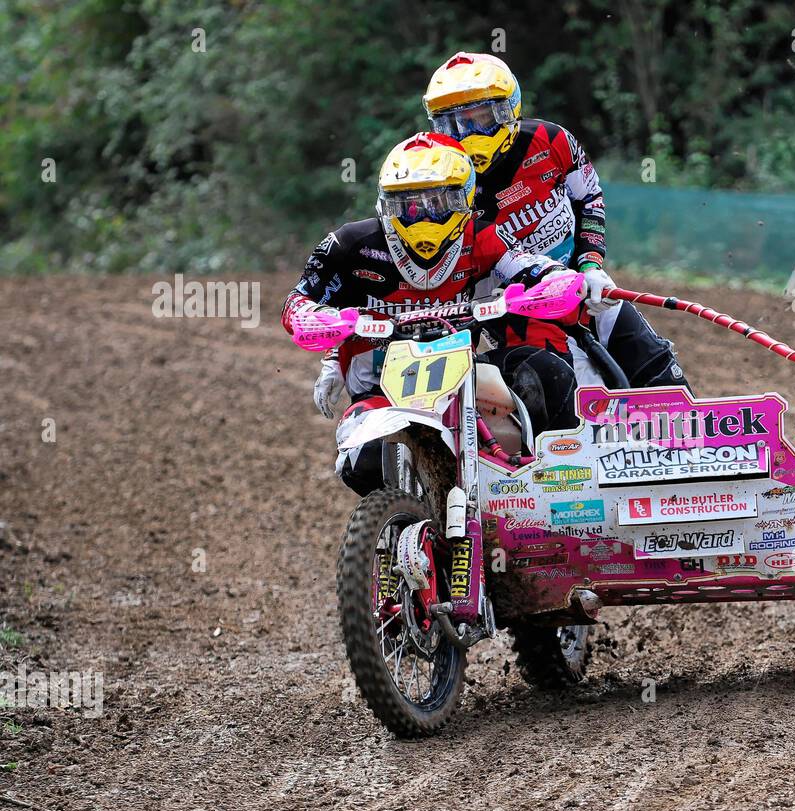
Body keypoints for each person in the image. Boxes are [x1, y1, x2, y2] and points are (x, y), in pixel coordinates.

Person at [284, 132, 582, 495]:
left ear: (465, 198)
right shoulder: (351, 244)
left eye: (438, 202)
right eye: (409, 205)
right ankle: (398, 524)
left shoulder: (483, 237)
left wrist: (556, 278)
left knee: (547, 373)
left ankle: (564, 490)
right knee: (365, 459)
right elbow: (299, 298)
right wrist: (317, 321)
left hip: (466, 384)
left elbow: (527, 264)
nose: (424, 215)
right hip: (381, 391)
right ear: (386, 204)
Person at [420, 51, 689, 392]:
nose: (470, 133)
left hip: (583, 284)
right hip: (516, 307)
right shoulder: (444, 186)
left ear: (508, 109)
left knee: (652, 361)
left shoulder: (552, 141)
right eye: (455, 122)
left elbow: (589, 198)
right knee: (582, 393)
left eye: (482, 118)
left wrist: (591, 264)